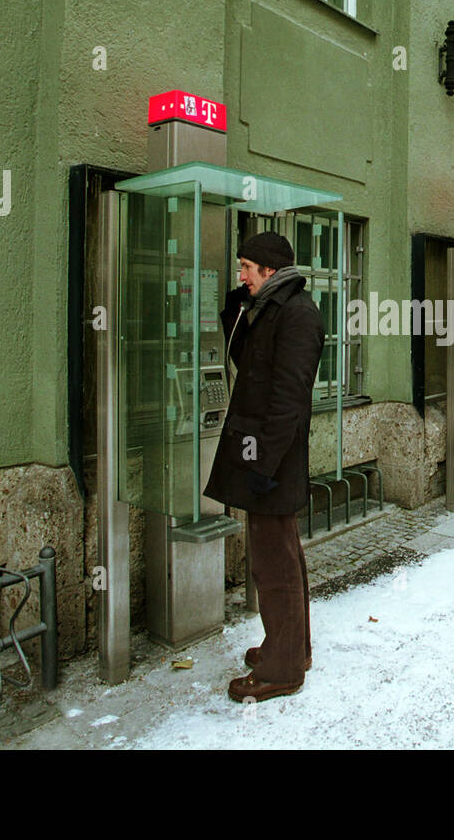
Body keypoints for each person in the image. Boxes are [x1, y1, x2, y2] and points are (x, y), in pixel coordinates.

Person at [203, 231, 324, 702]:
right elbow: (248, 361)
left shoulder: (298, 315)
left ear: (270, 271)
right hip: (265, 454)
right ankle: (295, 648)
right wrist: (237, 308)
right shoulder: (274, 308)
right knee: (284, 556)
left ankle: (282, 668)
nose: (241, 275)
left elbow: (289, 400)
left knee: (273, 566)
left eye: (246, 268)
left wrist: (265, 465)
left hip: (273, 458)